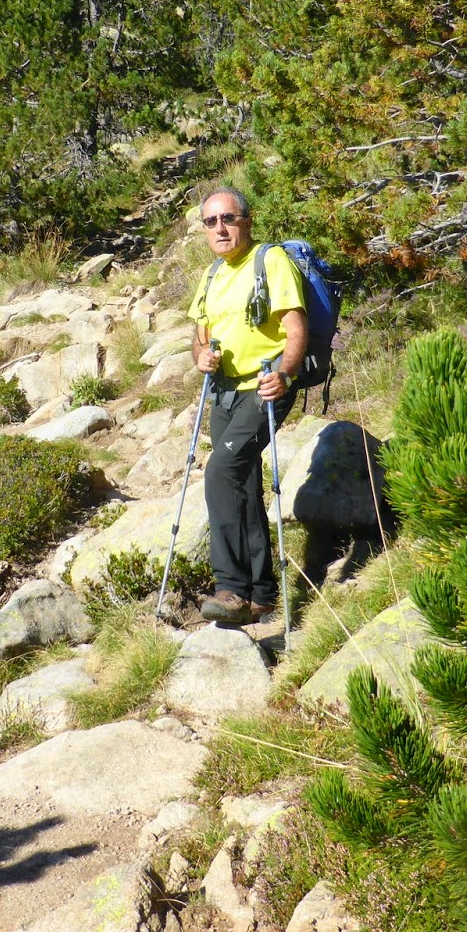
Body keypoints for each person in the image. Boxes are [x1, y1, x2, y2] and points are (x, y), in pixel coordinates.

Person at [188, 187, 307, 624]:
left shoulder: (270, 261)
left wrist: (286, 374)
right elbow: (199, 334)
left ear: (247, 221)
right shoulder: (211, 275)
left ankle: (231, 589)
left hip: (265, 388)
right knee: (241, 482)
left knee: (221, 469)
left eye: (228, 218)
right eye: (211, 221)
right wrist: (201, 356)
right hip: (224, 392)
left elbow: (296, 327)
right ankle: (262, 595)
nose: (220, 228)